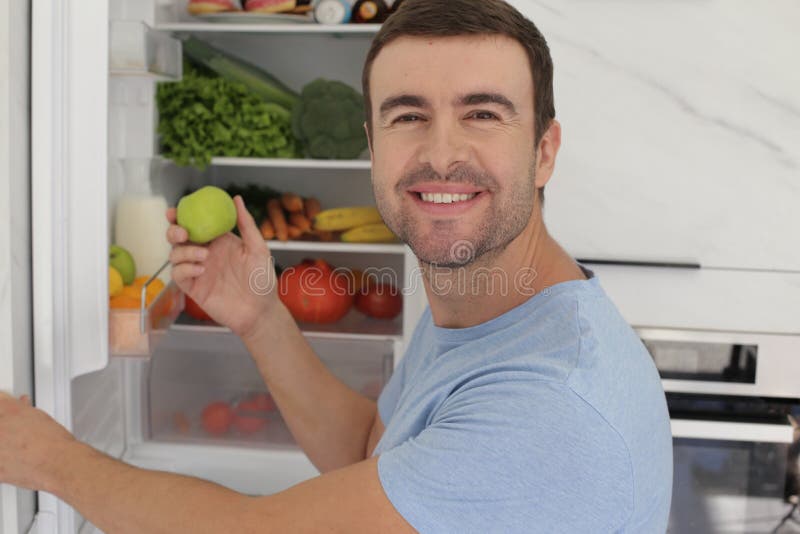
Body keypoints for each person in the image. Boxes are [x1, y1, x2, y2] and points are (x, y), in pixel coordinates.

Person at [0, 0, 673, 531]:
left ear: (544, 150)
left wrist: (49, 459)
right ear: (372, 150)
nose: (442, 152)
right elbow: (368, 450)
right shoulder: (494, 310)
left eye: (482, 113)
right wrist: (263, 317)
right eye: (408, 115)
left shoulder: (551, 404)